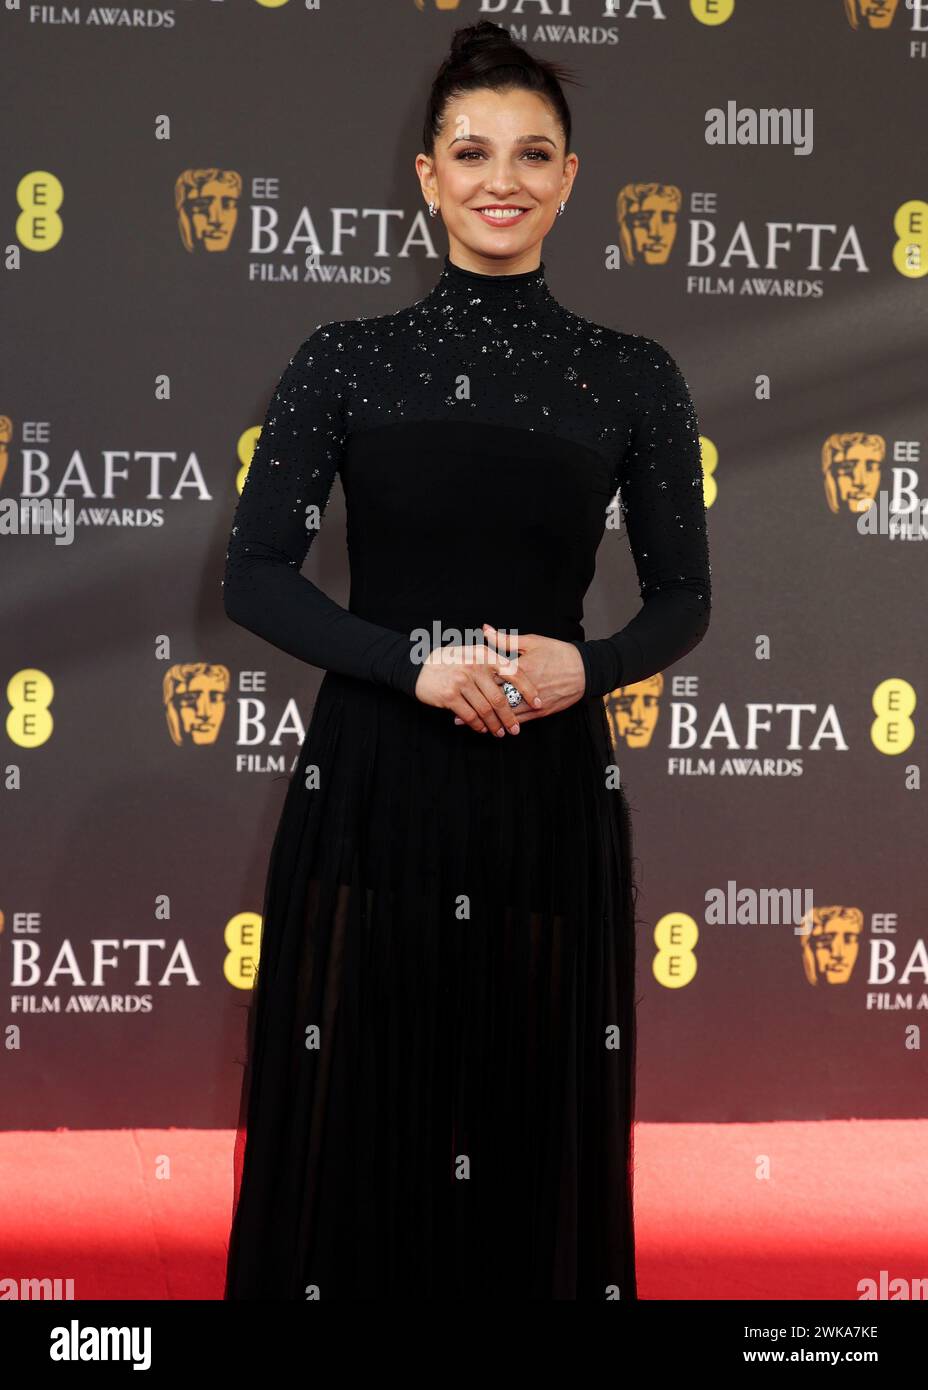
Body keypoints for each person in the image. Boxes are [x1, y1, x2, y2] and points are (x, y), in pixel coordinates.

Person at [221, 20, 711, 1301]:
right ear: (428, 175)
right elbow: (255, 574)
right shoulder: (345, 358)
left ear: (568, 179)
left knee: (523, 1086)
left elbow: (683, 599)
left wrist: (583, 670)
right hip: (375, 779)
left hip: (544, 788)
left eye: (531, 152)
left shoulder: (632, 375)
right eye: (472, 150)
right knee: (366, 1085)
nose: (503, 176)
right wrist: (410, 666)